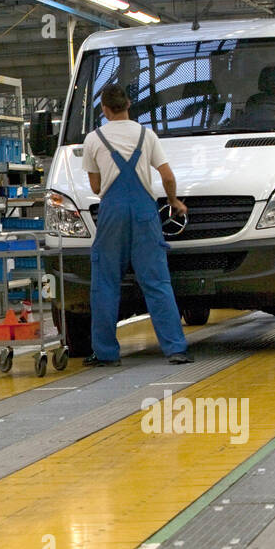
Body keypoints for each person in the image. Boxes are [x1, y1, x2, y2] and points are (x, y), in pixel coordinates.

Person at [82, 83, 192, 366]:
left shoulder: (94, 139)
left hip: (112, 213)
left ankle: (106, 353)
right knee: (156, 282)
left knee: (105, 283)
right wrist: (174, 201)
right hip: (145, 212)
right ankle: (176, 348)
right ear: (129, 105)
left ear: (104, 109)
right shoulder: (147, 135)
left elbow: (95, 186)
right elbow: (167, 176)